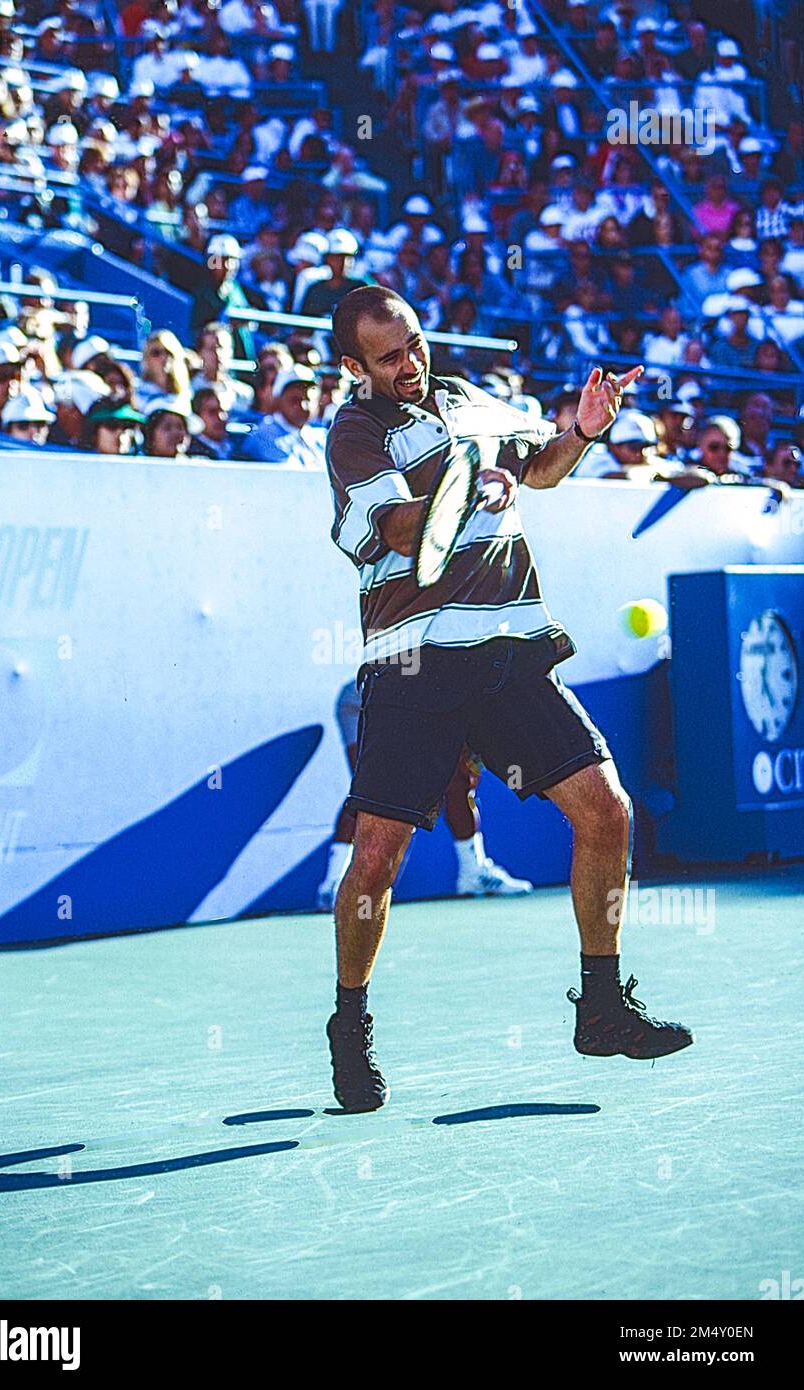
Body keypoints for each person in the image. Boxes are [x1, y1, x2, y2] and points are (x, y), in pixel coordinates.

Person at [322, 286, 693, 1112]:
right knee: (378, 856)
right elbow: (396, 531)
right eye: (388, 357)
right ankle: (349, 1021)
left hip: (510, 652)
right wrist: (465, 491)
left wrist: (583, 429)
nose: (410, 363)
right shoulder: (355, 432)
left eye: (414, 343)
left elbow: (542, 470)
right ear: (354, 367)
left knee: (606, 811)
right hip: (414, 663)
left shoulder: (469, 399)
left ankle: (600, 1007)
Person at [316, 683, 533, 911]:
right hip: (373, 697)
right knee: (370, 791)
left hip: (421, 699)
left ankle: (473, 871)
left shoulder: (480, 701)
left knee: (460, 780)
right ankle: (333, 885)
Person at [239, 365, 327, 468]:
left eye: (308, 400)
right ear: (279, 399)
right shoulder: (264, 436)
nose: (303, 406)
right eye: (294, 400)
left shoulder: (320, 437)